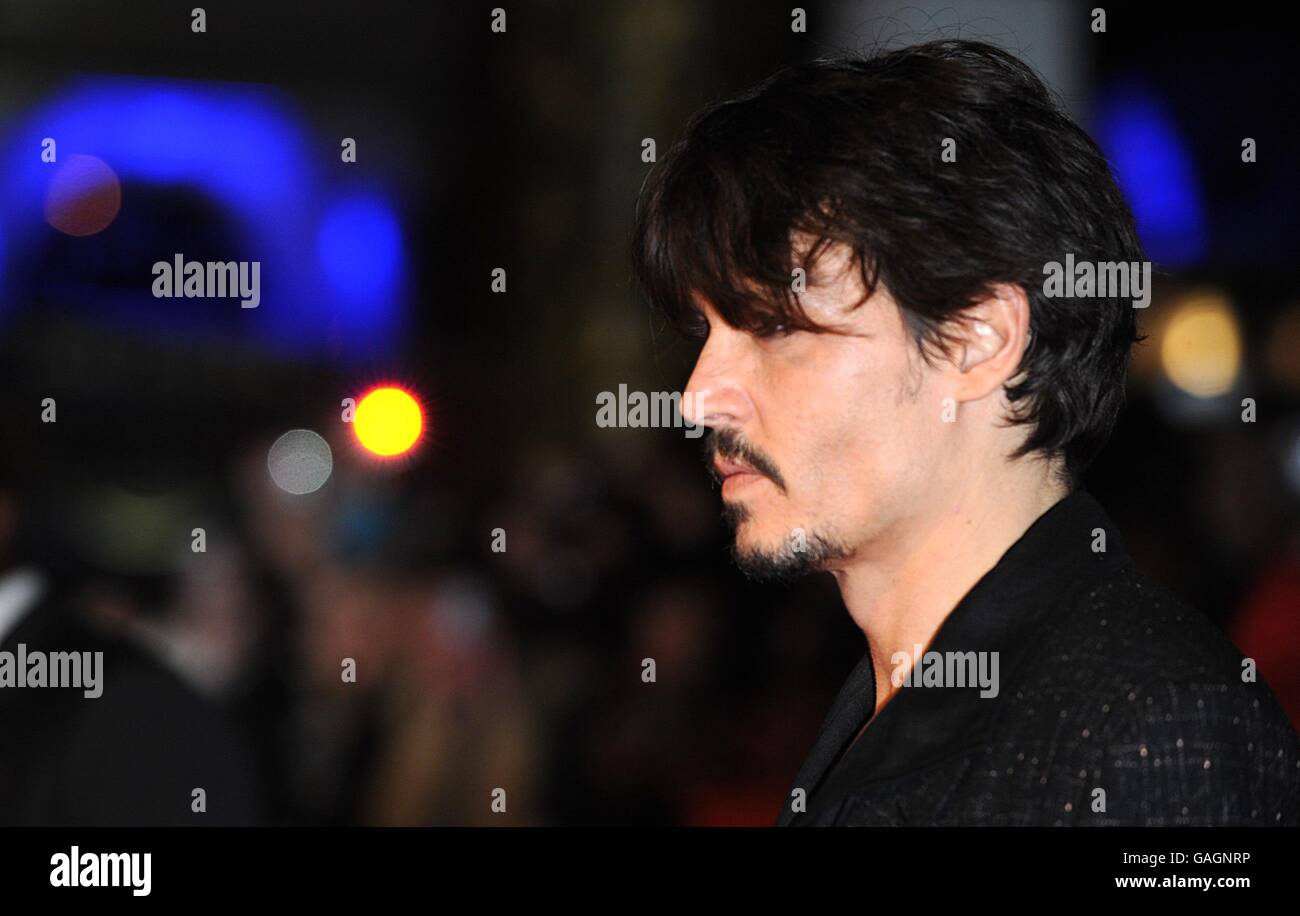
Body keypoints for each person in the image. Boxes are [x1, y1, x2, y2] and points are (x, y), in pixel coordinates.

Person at [630, 39, 1299, 826]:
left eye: (774, 327)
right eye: (705, 332)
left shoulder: (1154, 726)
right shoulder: (885, 700)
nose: (699, 398)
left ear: (979, 341)